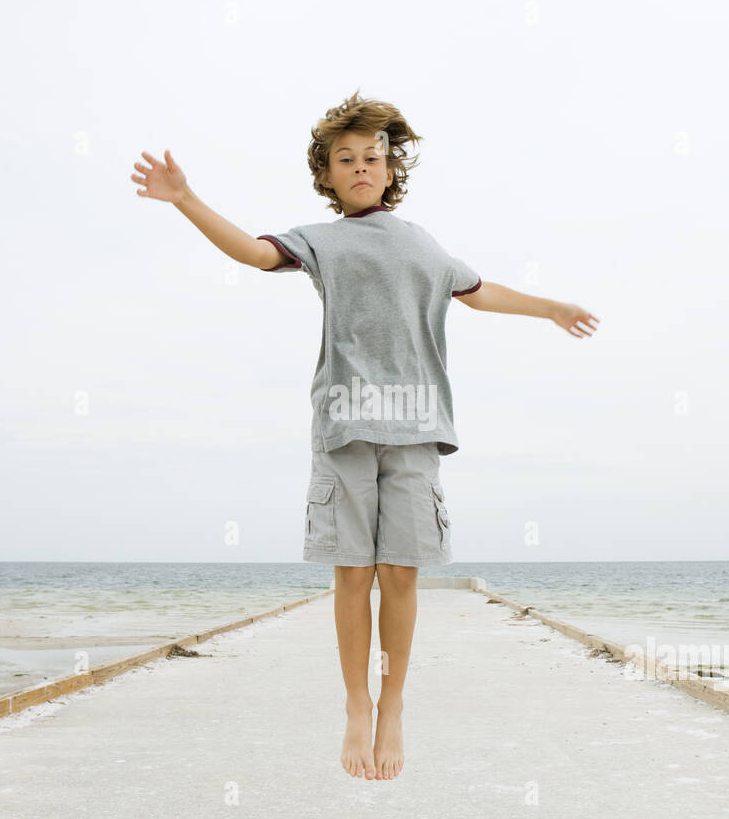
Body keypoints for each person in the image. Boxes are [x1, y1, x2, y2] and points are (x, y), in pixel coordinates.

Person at [130, 90, 599, 783]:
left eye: (370, 158)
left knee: (400, 576)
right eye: (344, 159)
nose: (359, 167)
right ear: (327, 174)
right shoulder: (321, 240)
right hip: (345, 427)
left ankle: (394, 706)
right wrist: (186, 199)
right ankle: (356, 704)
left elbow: (478, 290)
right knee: (351, 574)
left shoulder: (421, 243)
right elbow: (255, 254)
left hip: (415, 432)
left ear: (389, 169)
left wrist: (550, 307)